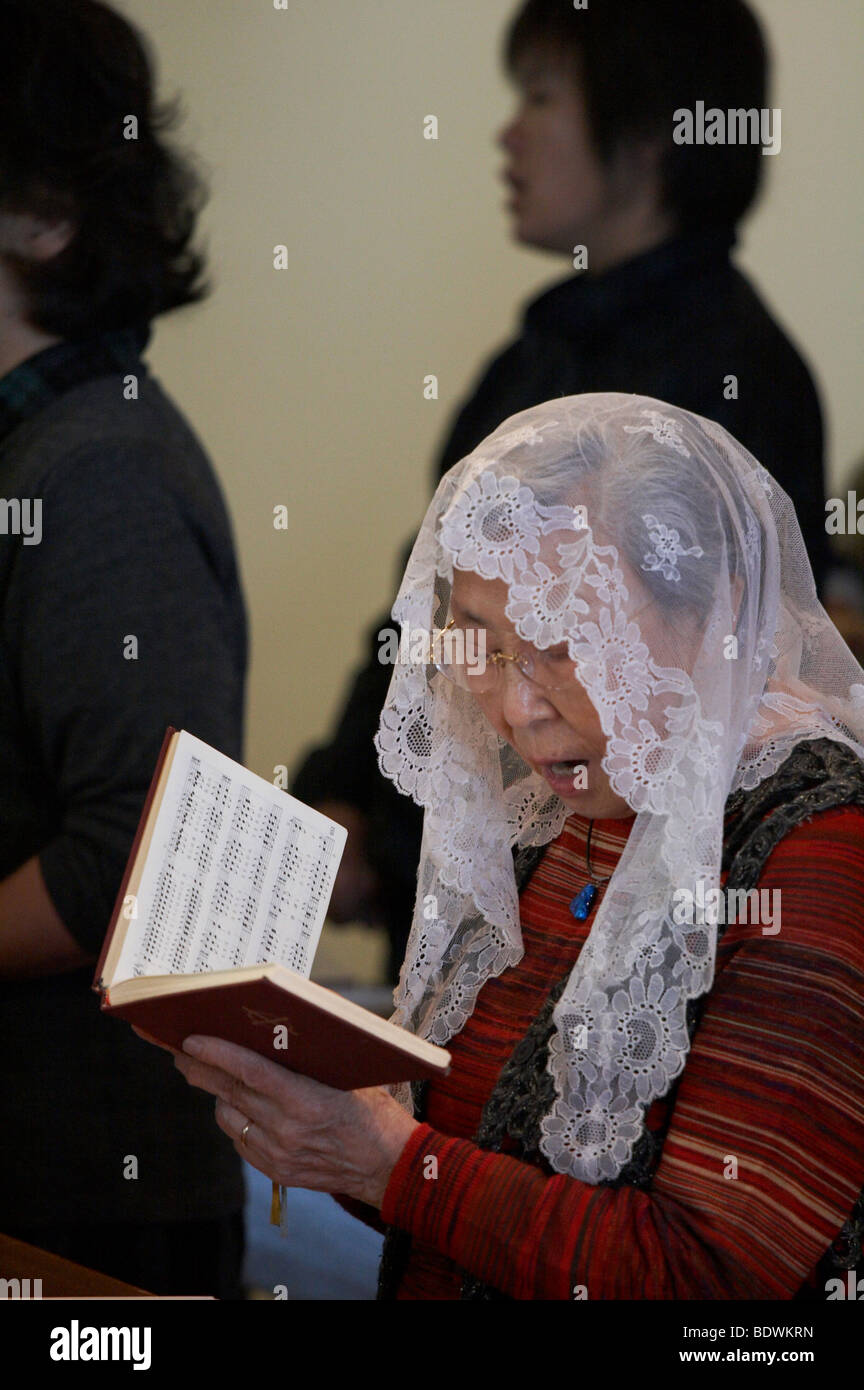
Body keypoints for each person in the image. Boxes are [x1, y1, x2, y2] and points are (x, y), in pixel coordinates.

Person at [177, 394, 864, 1299]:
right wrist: (330, 1115)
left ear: (720, 613)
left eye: (567, 645)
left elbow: (712, 1284)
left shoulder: (818, 856)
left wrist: (389, 1164)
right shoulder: (555, 818)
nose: (517, 707)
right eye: (485, 643)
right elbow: (463, 1177)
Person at [292, 0, 830, 976]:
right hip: (471, 874)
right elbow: (439, 607)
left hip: (597, 912)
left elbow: (710, 695)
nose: (508, 132)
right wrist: (353, 796)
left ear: (656, 129)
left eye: (540, 97)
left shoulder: (736, 375)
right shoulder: (537, 353)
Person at [0, 0, 247, 1297]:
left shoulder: (98, 468)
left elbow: (138, 855)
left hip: (93, 1204)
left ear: (43, 212)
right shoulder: (43, 448)